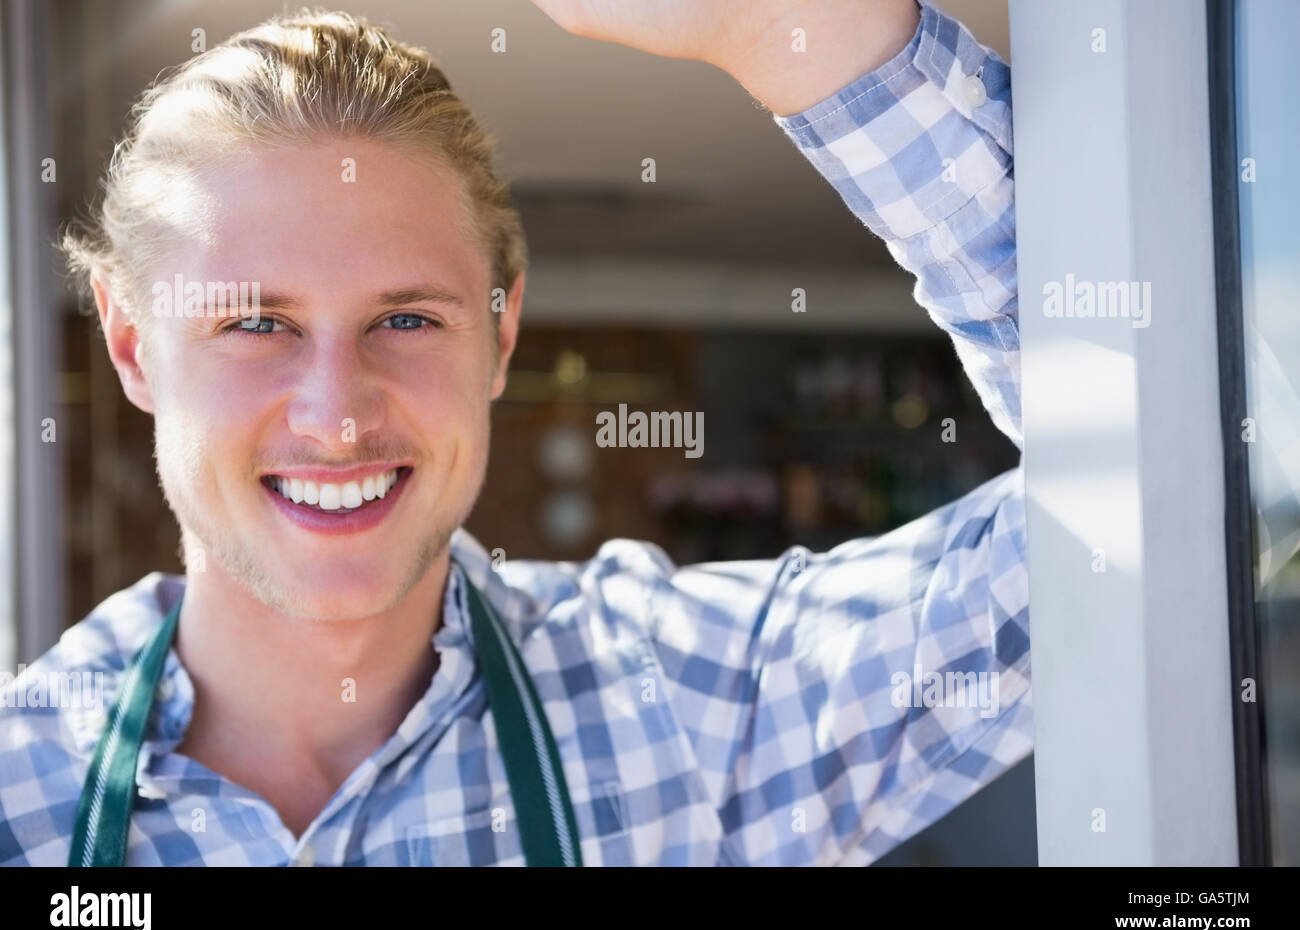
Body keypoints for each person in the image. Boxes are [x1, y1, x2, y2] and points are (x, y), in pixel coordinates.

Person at [0, 0, 1054, 865]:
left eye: (405, 318)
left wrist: (786, 25)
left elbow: (1124, 513)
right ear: (134, 345)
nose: (338, 414)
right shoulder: (19, 794)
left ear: (501, 333)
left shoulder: (700, 709)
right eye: (255, 323)